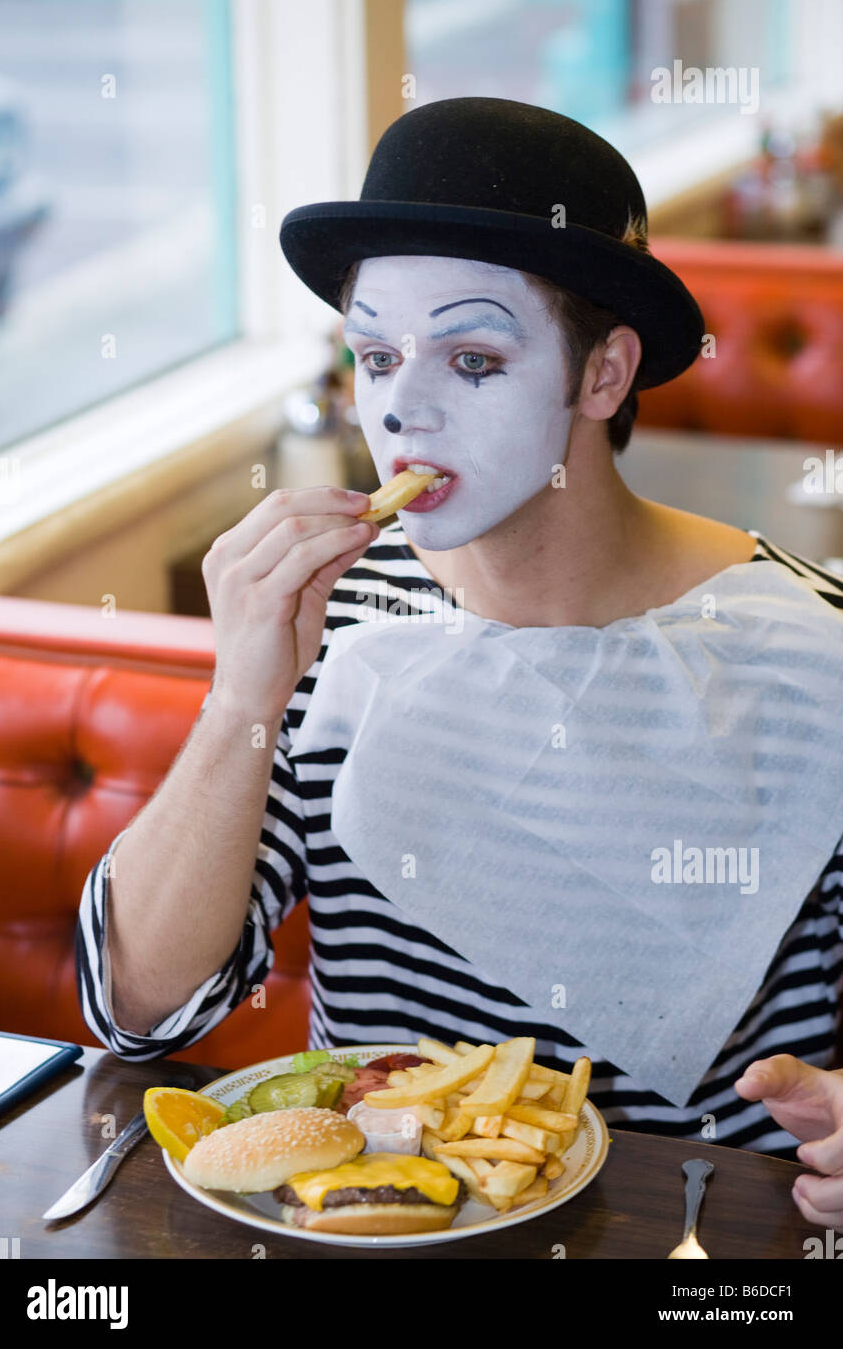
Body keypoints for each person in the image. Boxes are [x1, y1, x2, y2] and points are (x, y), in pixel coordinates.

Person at [75, 98, 843, 1230]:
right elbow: (140, 1012)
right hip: (369, 1223)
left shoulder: (808, 649)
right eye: (374, 354)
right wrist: (243, 689)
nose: (400, 405)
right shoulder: (336, 620)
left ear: (601, 375)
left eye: (472, 356)